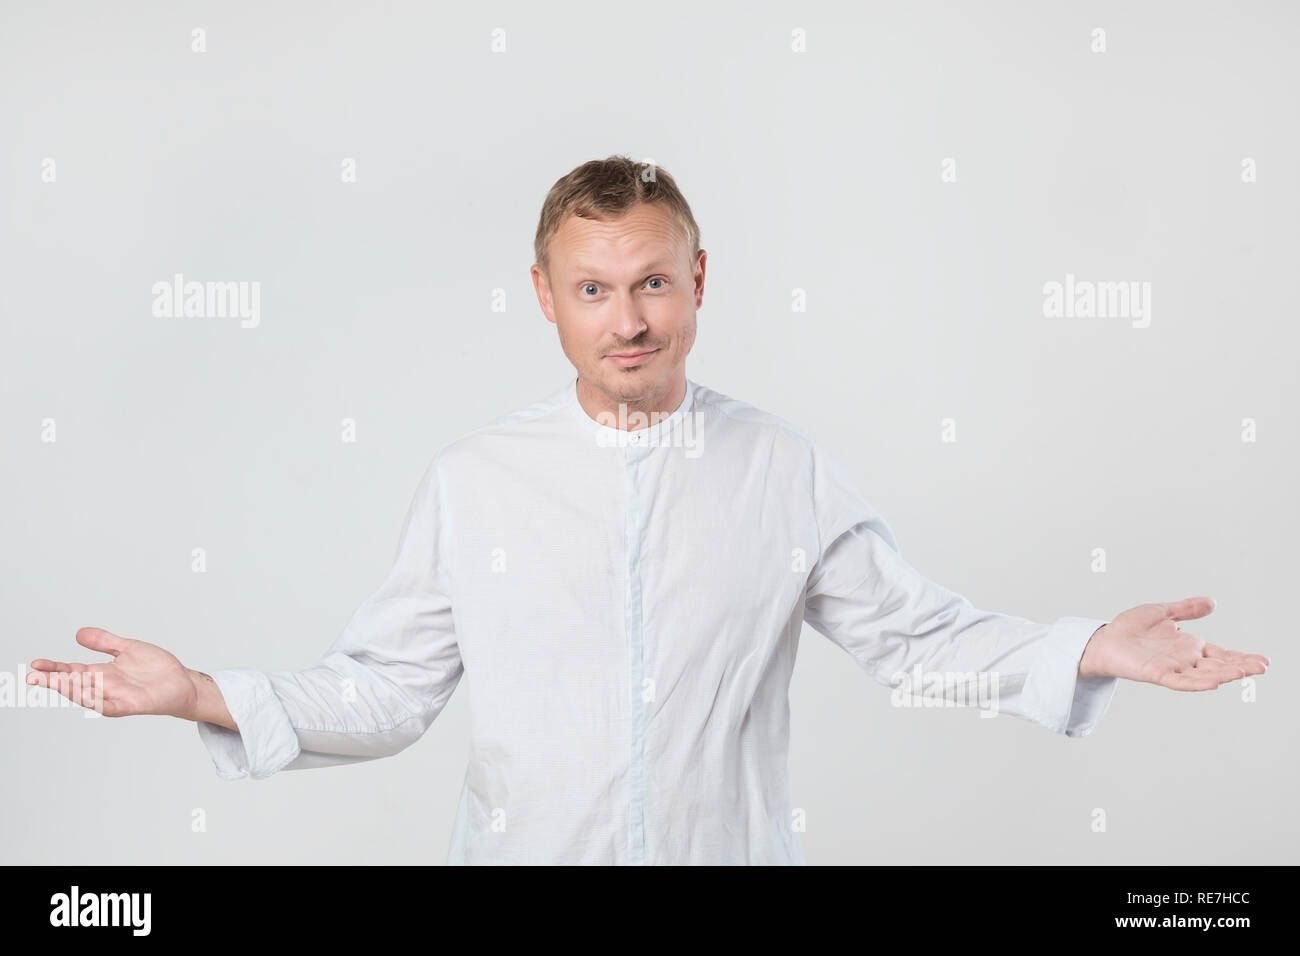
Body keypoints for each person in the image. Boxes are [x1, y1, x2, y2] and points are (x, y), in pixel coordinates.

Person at [27, 155, 1270, 865]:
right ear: (545, 295)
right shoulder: (476, 479)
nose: (628, 318)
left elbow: (915, 641)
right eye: (594, 287)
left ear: (697, 281)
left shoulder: (778, 465)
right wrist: (206, 691)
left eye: (653, 282)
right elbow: (391, 688)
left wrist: (1081, 646)